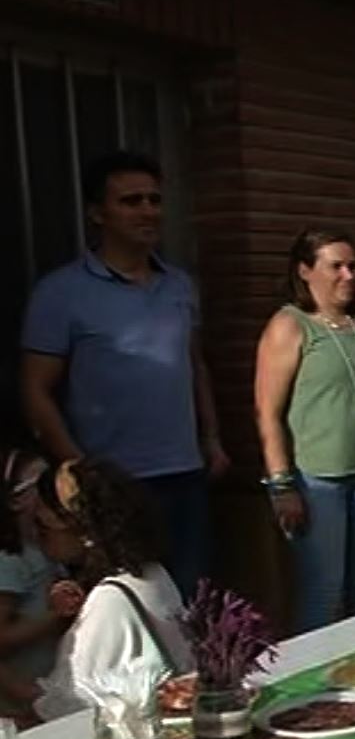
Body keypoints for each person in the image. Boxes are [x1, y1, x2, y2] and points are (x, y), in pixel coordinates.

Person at [20, 151, 229, 601]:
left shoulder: (179, 286)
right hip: (115, 487)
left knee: (191, 601)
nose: (148, 211)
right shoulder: (61, 293)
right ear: (98, 213)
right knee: (131, 605)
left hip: (185, 475)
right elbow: (35, 389)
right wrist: (76, 468)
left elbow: (194, 364)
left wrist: (211, 438)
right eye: (131, 201)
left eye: (154, 200)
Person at [253, 230, 355, 633]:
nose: (348, 274)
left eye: (353, 265)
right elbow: (267, 412)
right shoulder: (290, 326)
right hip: (318, 478)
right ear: (305, 271)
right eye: (336, 266)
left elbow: (354, 393)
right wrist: (280, 485)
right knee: (324, 590)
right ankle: (312, 684)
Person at [16, 459, 193, 723]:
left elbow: (71, 706)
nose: (36, 537)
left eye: (43, 528)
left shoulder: (109, 601)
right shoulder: (151, 572)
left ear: (83, 532)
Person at [0, 449, 76, 717]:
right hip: (26, 697)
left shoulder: (48, 549)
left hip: (54, 683)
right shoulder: (11, 560)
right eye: (41, 482)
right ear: (15, 500)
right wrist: (56, 617)